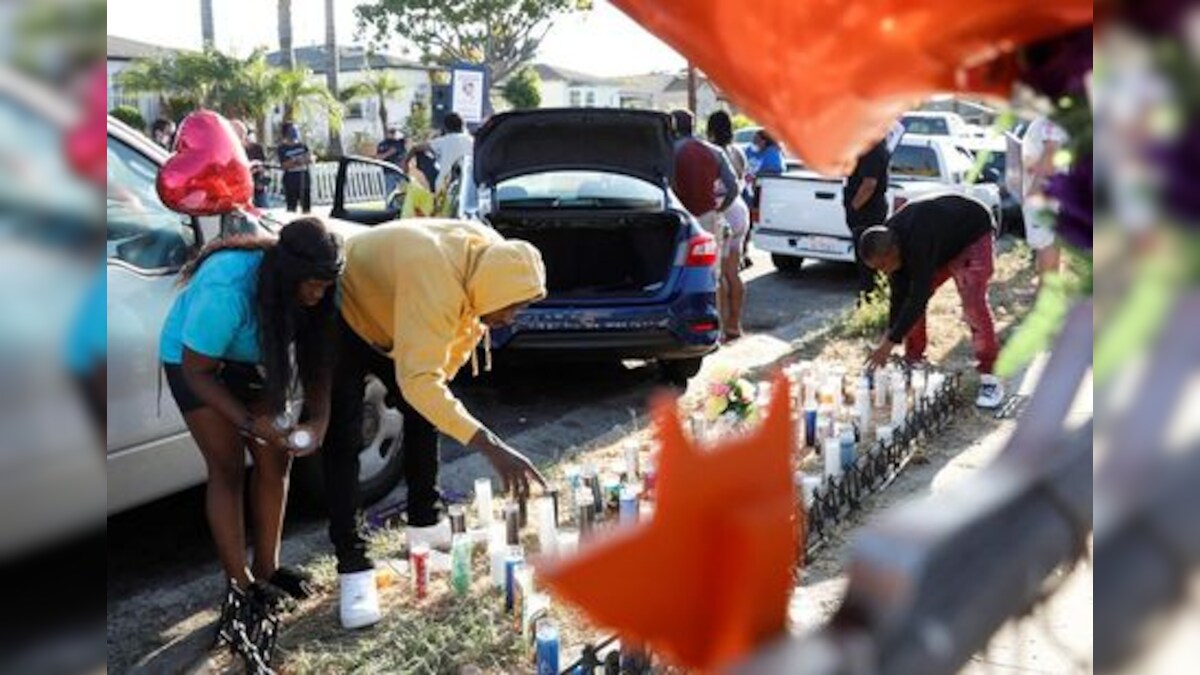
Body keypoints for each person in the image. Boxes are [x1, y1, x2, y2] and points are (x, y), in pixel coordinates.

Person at [323, 219, 549, 629]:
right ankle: (353, 568)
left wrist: (441, 399)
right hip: (349, 310)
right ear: (493, 289)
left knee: (426, 414)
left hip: (397, 308)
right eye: (512, 306)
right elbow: (419, 382)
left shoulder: (493, 263)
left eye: (522, 306)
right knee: (345, 437)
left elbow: (435, 377)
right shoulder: (438, 278)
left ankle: (424, 525)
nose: (513, 317)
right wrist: (490, 445)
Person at [159, 218, 343, 620]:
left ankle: (268, 568)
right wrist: (246, 422)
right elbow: (197, 371)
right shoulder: (227, 291)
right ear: (285, 275)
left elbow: (318, 362)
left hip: (247, 361)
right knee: (227, 468)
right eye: (310, 284)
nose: (318, 293)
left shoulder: (323, 283)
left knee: (277, 459)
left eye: (324, 285)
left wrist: (320, 421)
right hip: (197, 365)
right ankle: (240, 585)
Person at [858, 194, 1004, 409]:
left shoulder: (918, 242)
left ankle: (990, 376)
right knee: (909, 301)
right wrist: (889, 336)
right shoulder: (889, 240)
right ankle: (914, 360)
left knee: (973, 303)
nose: (883, 272)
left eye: (882, 266)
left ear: (894, 252)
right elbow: (899, 296)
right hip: (942, 241)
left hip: (972, 231)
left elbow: (919, 295)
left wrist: (889, 344)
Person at [706, 110, 750, 341]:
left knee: (719, 275)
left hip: (722, 209)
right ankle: (735, 325)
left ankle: (721, 328)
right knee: (734, 273)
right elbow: (743, 180)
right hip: (740, 210)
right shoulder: (738, 152)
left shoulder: (712, 152)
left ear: (710, 130)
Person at [670, 109, 738, 253]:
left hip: (677, 216)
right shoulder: (715, 151)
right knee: (707, 265)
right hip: (707, 214)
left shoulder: (668, 152)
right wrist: (720, 209)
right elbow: (733, 188)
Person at [1020, 115, 1069, 277]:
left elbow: (1050, 156)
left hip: (1045, 192)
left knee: (1045, 247)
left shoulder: (1052, 119)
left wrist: (1034, 192)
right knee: (1051, 246)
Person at [844, 137, 891, 298]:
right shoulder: (867, 146)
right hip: (865, 212)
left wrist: (853, 207)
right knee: (864, 260)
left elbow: (869, 184)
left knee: (869, 262)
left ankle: (870, 299)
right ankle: (869, 296)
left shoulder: (872, 149)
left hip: (867, 213)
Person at [405, 113, 473, 193]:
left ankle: (429, 189)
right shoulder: (472, 141)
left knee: (421, 154)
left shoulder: (443, 141)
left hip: (443, 186)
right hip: (469, 186)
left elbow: (415, 148)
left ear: (445, 128)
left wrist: (406, 163)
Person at [232, 120, 270, 209]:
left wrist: (261, 174)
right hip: (237, 191)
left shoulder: (256, 148)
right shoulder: (227, 151)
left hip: (257, 189)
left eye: (240, 134)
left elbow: (265, 166)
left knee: (263, 212)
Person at [277, 122, 312, 213]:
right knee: (291, 209)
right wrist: (297, 161)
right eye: (292, 130)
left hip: (304, 178)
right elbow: (284, 165)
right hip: (290, 180)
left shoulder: (302, 146)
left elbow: (309, 158)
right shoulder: (282, 148)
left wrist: (306, 159)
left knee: (306, 209)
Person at [376, 126, 407, 201]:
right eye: (391, 132)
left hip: (400, 171)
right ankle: (389, 209)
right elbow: (379, 157)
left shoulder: (399, 143)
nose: (392, 134)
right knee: (390, 192)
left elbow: (404, 156)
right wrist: (389, 153)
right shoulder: (382, 144)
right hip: (388, 171)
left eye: (394, 132)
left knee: (406, 191)